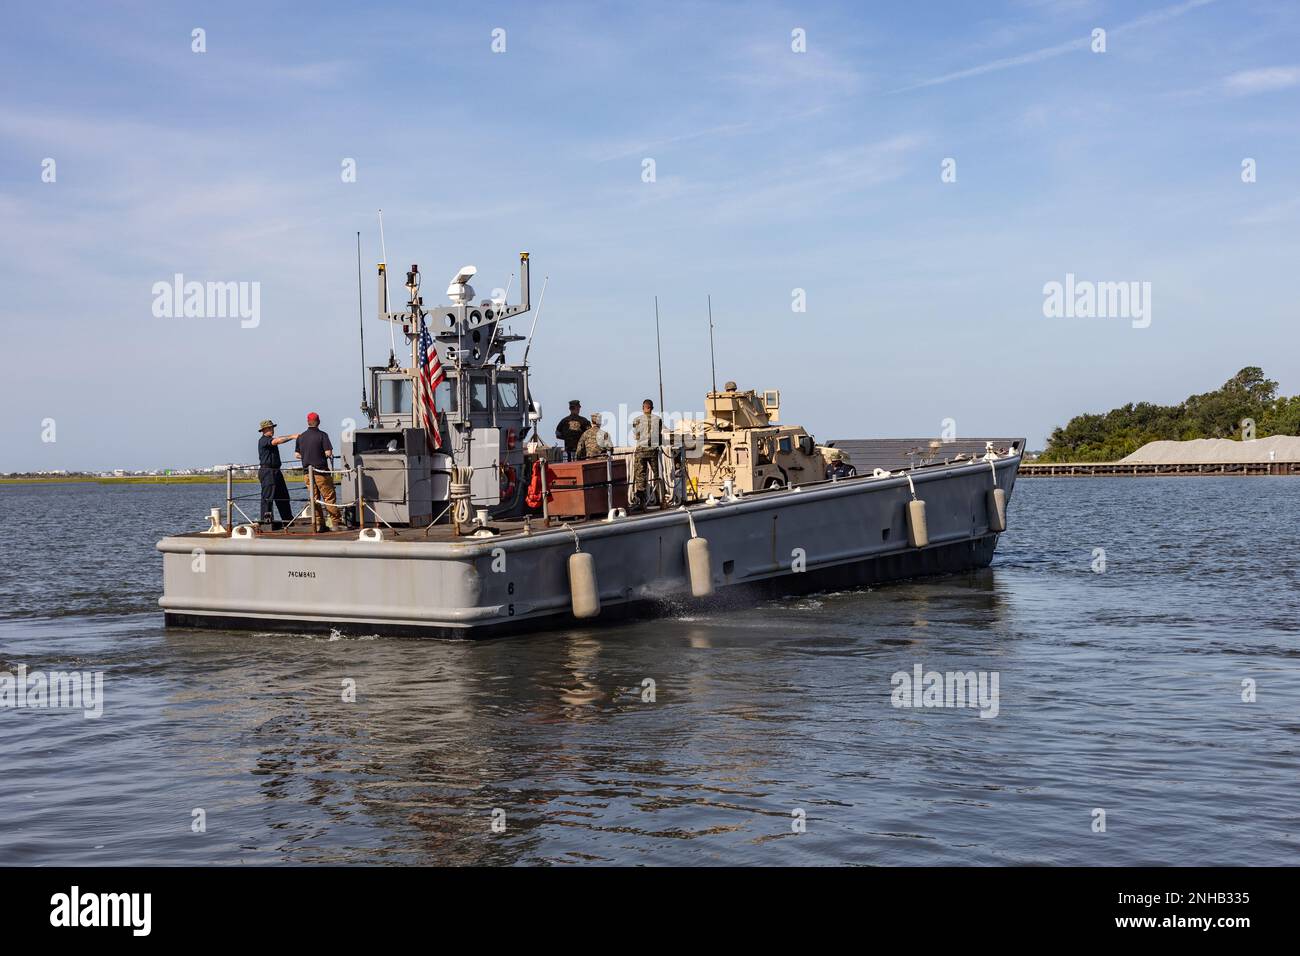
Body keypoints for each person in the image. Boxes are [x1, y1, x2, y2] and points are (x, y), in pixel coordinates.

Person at [294, 412, 342, 532]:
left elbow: (297, 455)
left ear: (307, 422)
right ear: (318, 422)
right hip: (321, 471)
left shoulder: (300, 437)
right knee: (329, 497)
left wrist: (307, 456)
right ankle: (335, 523)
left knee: (314, 498)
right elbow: (328, 453)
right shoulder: (323, 435)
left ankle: (319, 524)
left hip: (307, 473)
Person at [257, 420, 299, 528]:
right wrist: (292, 436)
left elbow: (277, 439)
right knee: (268, 498)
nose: (272, 429)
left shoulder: (271, 439)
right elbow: (277, 441)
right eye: (270, 428)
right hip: (267, 471)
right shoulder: (263, 440)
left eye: (272, 428)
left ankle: (287, 520)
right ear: (264, 430)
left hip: (276, 471)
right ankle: (266, 521)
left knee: (283, 496)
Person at [631, 398, 666, 509]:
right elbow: (660, 437)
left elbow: (636, 436)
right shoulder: (658, 419)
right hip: (653, 452)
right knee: (658, 475)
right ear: (652, 408)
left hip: (641, 452)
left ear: (643, 408)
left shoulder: (637, 420)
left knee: (640, 477)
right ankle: (661, 499)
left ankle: (641, 503)